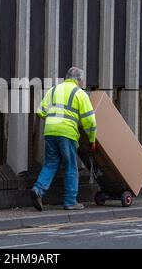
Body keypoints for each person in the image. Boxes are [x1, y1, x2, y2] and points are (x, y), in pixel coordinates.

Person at [30, 67, 97, 211]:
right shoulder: (80, 93)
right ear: (79, 80)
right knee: (71, 166)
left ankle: (38, 190)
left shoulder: (53, 90)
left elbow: (40, 111)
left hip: (50, 131)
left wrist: (53, 120)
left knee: (51, 163)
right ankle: (70, 201)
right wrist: (92, 140)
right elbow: (90, 121)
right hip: (67, 133)